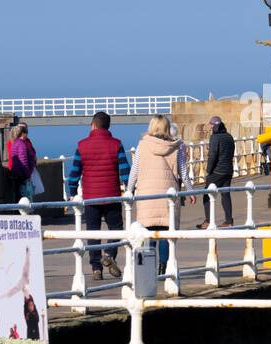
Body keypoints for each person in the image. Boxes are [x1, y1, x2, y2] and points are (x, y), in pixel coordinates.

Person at [66, 111, 130, 280]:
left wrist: (72, 191)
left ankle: (96, 268)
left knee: (93, 232)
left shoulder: (82, 145)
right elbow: (125, 171)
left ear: (93, 125)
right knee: (116, 229)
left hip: (91, 197)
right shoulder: (117, 144)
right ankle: (109, 255)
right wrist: (129, 188)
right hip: (112, 196)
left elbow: (74, 173)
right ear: (108, 126)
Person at [128, 114, 194, 275]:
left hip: (146, 196)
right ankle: (163, 266)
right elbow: (183, 172)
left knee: (148, 232)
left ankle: (149, 266)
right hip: (167, 196)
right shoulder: (176, 147)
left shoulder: (142, 146)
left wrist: (129, 190)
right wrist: (190, 190)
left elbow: (134, 171)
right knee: (165, 232)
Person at [199, 116, 235, 228]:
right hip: (228, 171)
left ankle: (209, 221)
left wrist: (208, 171)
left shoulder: (215, 138)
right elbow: (232, 152)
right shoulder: (229, 137)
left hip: (217, 171)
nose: (210, 128)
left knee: (206, 195)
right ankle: (229, 221)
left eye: (211, 125)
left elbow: (212, 155)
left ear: (215, 126)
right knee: (225, 195)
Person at [6, 123, 37, 201]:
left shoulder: (15, 143)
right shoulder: (21, 144)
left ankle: (18, 210)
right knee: (25, 197)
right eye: (26, 132)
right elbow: (23, 161)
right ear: (22, 133)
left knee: (19, 196)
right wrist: (27, 174)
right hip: (22, 175)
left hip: (16, 173)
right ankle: (24, 212)